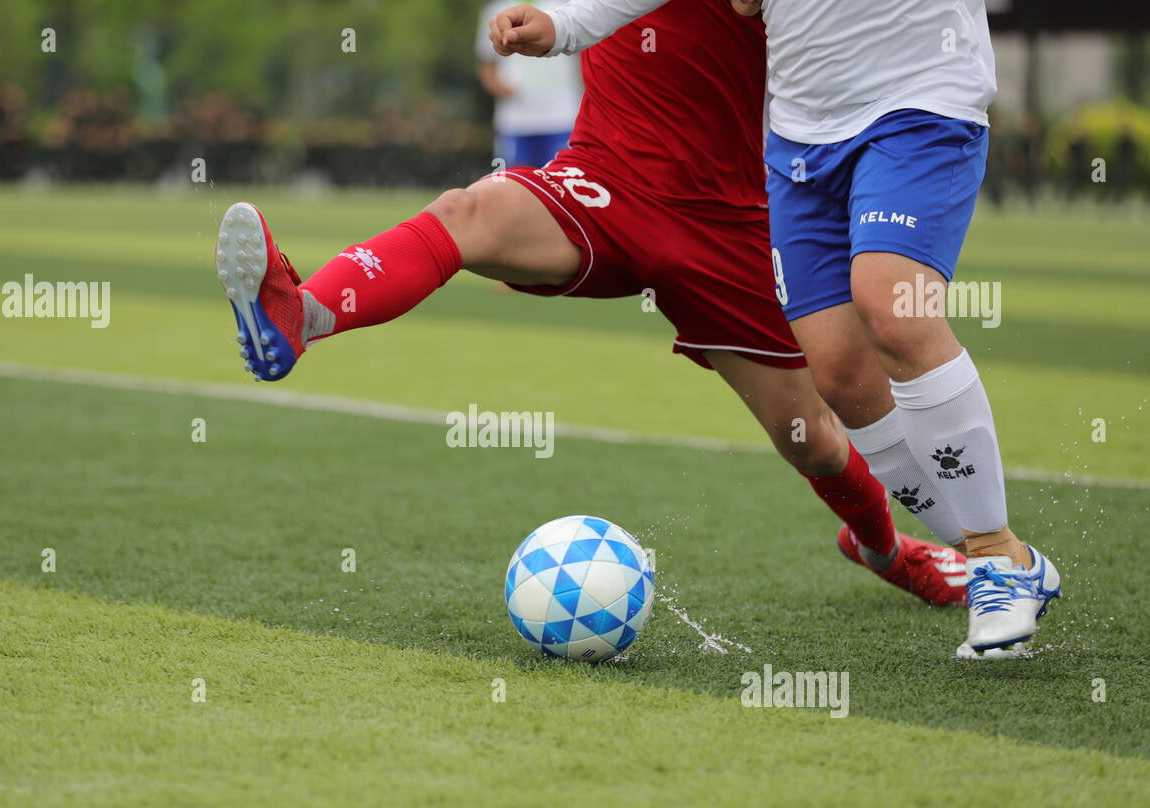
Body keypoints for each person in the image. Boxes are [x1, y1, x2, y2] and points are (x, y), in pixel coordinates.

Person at [211, 1, 968, 614]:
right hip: (604, 182)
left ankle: (886, 549)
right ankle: (300, 315)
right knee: (465, 213)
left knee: (813, 439)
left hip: (733, 224)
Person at [489, 0, 1061, 660]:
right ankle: (1002, 554)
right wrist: (566, 27)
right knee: (842, 376)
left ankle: (994, 561)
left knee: (893, 311)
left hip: (917, 99)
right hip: (800, 135)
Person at [476, 0, 582, 169]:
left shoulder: (566, 5)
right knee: (510, 184)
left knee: (560, 184)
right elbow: (487, 64)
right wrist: (500, 88)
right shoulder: (496, 10)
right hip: (516, 120)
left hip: (561, 116)